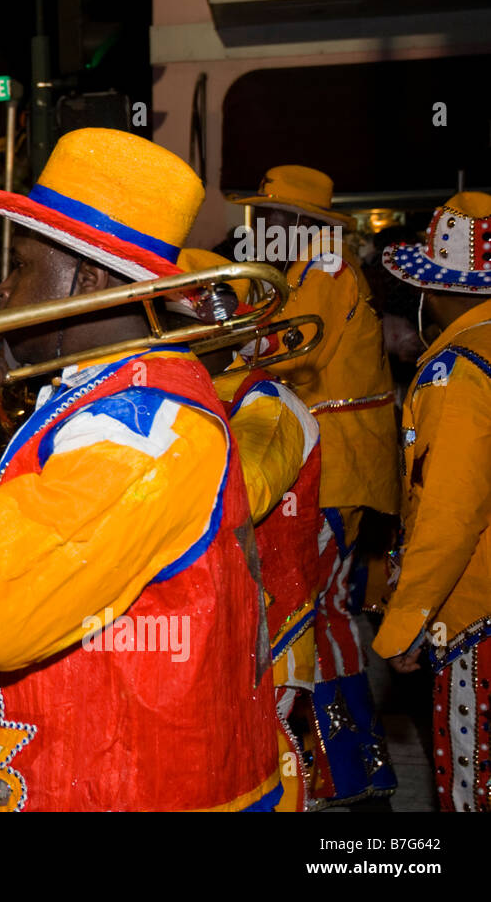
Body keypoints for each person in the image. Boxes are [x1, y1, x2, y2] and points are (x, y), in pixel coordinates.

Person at [0, 128, 279, 810]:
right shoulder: (111, 390)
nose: (3, 284)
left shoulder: (142, 430)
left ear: (87, 279)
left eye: (23, 264)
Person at [228, 165, 399, 804]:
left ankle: (336, 769)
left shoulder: (324, 272)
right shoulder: (307, 274)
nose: (262, 228)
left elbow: (290, 353)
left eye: (270, 217)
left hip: (333, 470)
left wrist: (229, 338)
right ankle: (348, 768)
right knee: (322, 616)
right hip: (326, 466)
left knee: (308, 615)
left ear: (300, 225)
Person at [180, 248, 329, 811]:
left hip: (267, 631)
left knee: (263, 774)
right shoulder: (191, 397)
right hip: (208, 626)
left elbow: (249, 490)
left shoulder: (271, 402)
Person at [372, 192, 491, 813]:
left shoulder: (458, 368)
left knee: (473, 786)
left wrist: (405, 623)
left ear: (438, 293)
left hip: (477, 614)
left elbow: (448, 514)